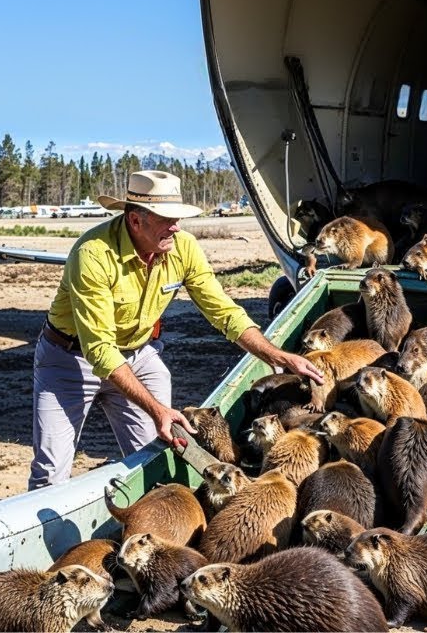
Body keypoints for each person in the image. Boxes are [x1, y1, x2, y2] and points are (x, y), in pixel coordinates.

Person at [28, 170, 324, 489]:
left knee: (152, 456)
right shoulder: (93, 254)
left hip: (137, 354)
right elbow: (99, 350)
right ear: (135, 220)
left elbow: (224, 311)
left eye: (178, 218)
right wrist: (158, 410)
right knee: (50, 470)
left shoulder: (182, 247)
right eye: (167, 219)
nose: (176, 227)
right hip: (70, 359)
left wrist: (278, 356)